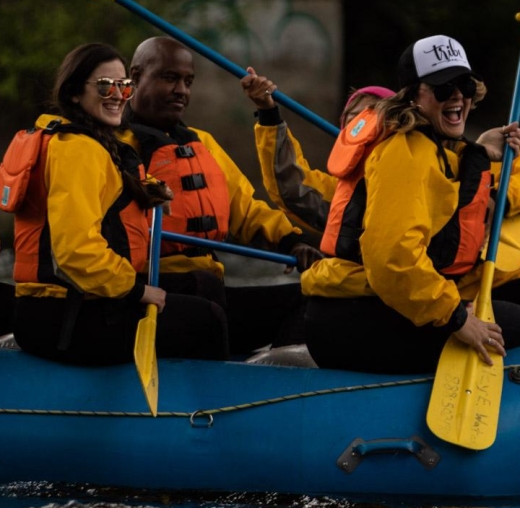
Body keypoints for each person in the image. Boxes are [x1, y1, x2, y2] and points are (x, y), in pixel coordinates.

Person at [301, 34, 520, 374]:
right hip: (352, 320)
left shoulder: (433, 145)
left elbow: (443, 192)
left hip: (380, 304)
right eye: (443, 88)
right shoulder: (403, 152)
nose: (458, 96)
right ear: (414, 96)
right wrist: (458, 318)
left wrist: (478, 150)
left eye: (464, 84)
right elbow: (392, 261)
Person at [11, 42, 229, 364]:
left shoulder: (95, 142)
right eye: (104, 86)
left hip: (73, 303)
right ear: (74, 93)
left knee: (201, 282)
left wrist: (152, 193)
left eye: (124, 85)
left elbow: (118, 180)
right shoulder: (77, 152)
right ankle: (212, 409)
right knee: (206, 318)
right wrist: (138, 291)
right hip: (61, 316)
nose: (117, 95)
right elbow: (75, 252)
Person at [121, 36, 323, 356]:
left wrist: (292, 242)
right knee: (205, 293)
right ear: (134, 77)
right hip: (149, 295)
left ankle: (265, 383)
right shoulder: (114, 145)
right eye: (169, 78)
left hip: (209, 292)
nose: (181, 91)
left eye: (188, 81)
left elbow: (247, 208)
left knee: (312, 298)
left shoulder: (202, 143)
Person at [240, 66, 395, 238]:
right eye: (355, 118)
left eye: (374, 119)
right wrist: (267, 111)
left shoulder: (417, 177)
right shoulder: (342, 194)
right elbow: (292, 188)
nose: (364, 126)